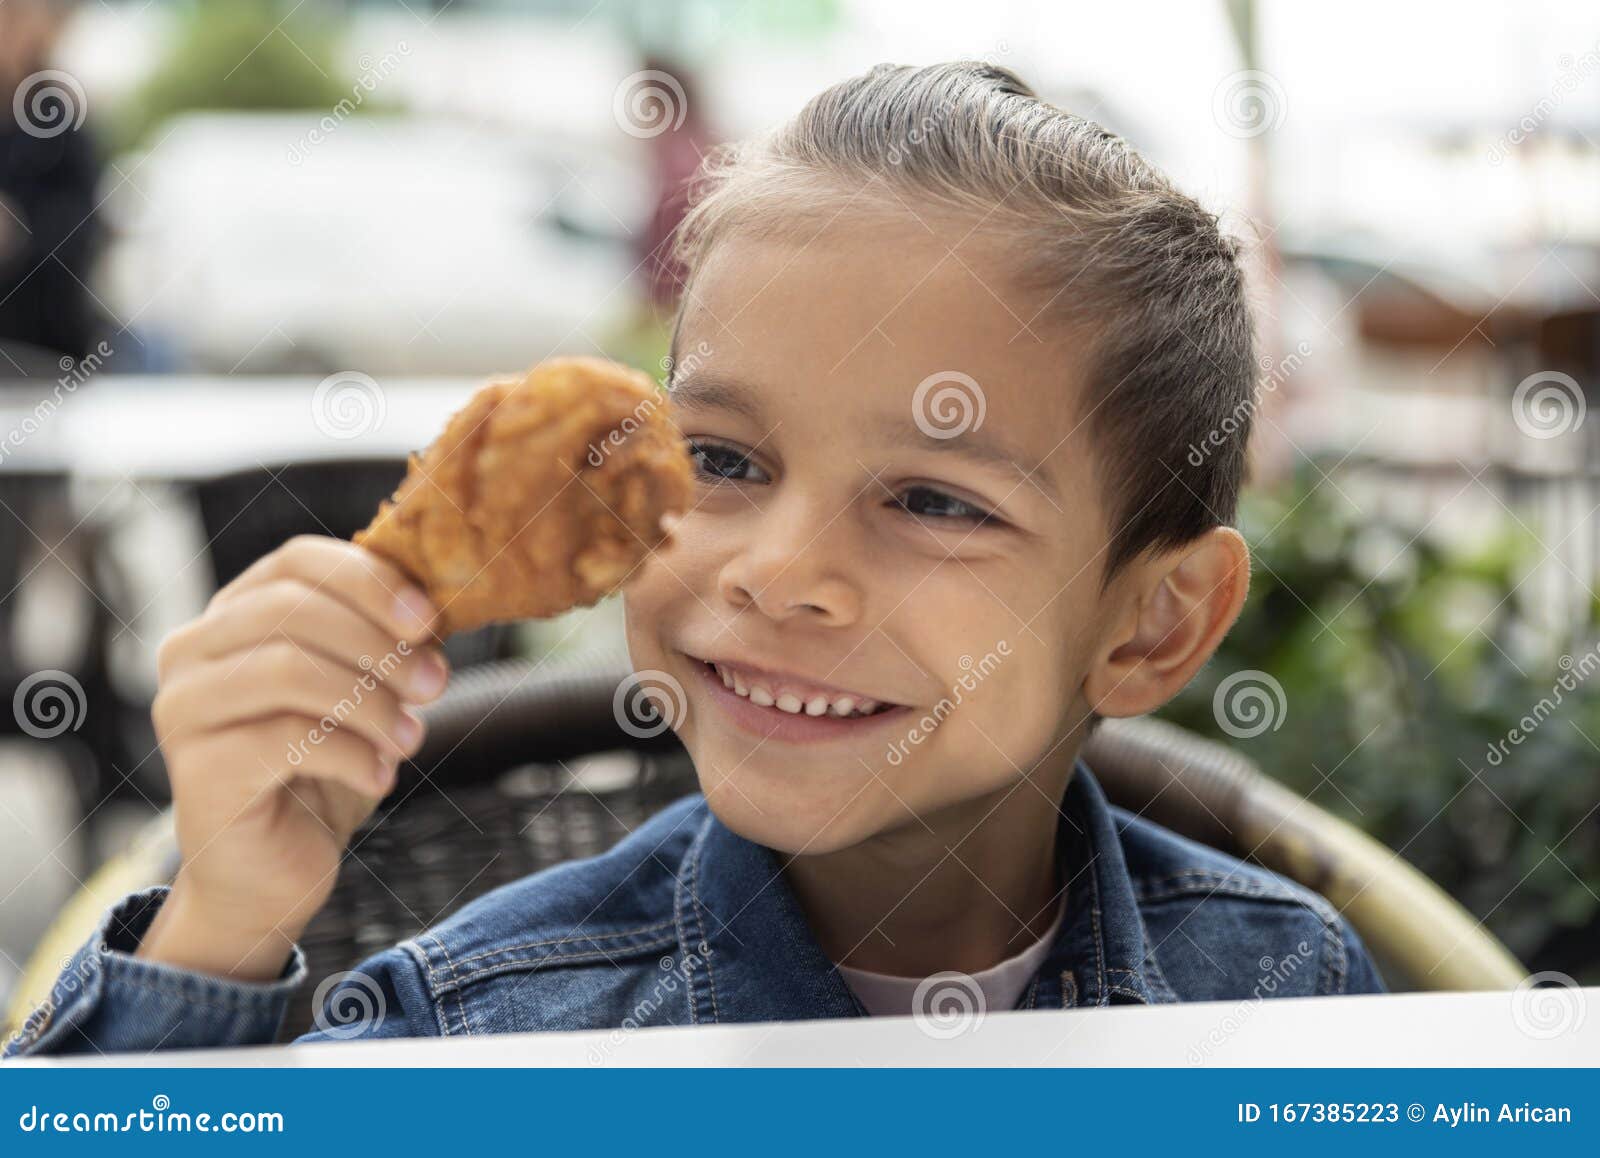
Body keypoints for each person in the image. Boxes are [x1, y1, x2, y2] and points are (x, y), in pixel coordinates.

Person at [8, 61, 1381, 1057]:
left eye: (932, 499)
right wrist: (222, 924)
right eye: (723, 460)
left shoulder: (1289, 998)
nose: (777, 573)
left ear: (1152, 624)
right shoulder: (472, 1037)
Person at [0, 0, 101, 372]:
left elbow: (84, 231)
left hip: (46, 350)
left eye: (16, 17)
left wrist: (18, 232)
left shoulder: (60, 123)